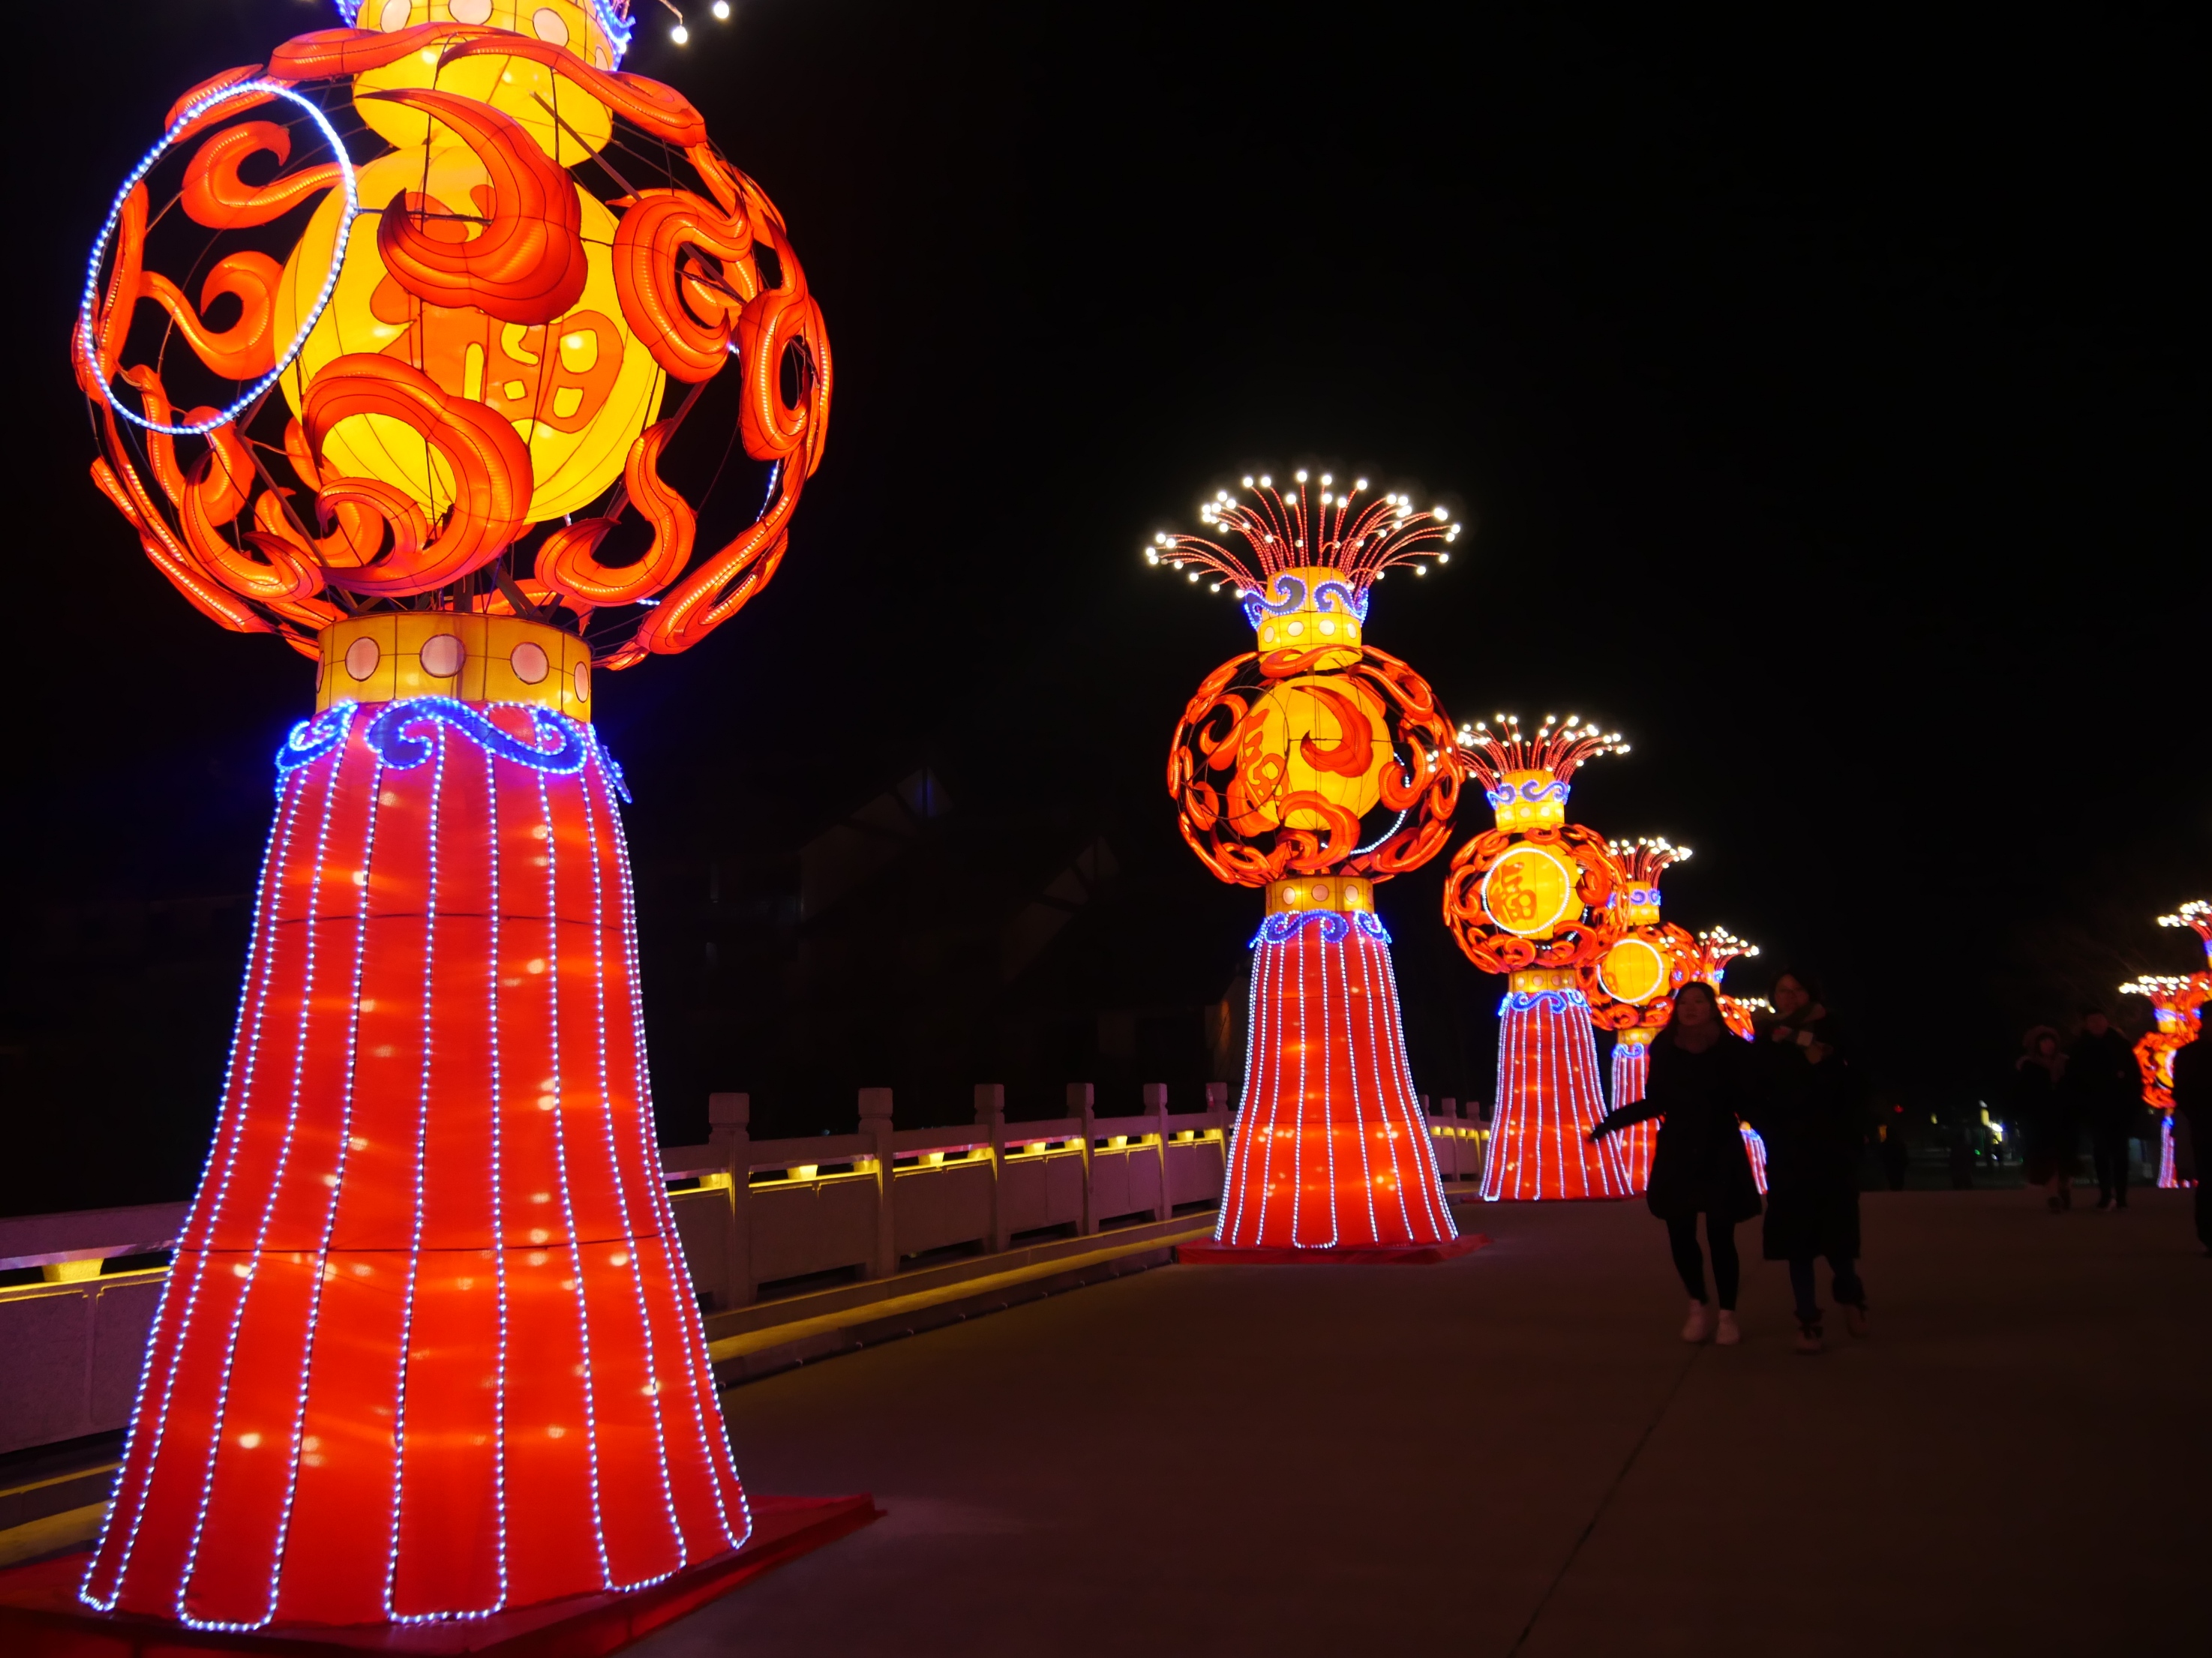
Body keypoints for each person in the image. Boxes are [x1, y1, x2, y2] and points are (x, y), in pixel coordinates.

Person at [1590, 982, 1762, 1346]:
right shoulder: (1666, 1048)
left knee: (1720, 1237)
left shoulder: (1731, 1050)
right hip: (1678, 1152)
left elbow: (1747, 1102)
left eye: (1699, 1001)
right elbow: (1656, 1102)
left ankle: (1728, 1315)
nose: (1691, 1008)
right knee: (1681, 1235)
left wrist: (1780, 1130)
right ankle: (1698, 1305)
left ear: (1712, 1008)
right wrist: (1610, 1123)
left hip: (1719, 1149)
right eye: (1685, 1002)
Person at [1750, 969, 1865, 1354]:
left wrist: (1850, 1132)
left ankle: (1850, 1296)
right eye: (1781, 990)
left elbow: (1853, 1085)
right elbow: (1755, 1090)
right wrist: (1769, 1128)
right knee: (1797, 1242)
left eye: (1796, 989)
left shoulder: (1831, 1030)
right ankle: (1808, 1320)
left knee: (1838, 1238)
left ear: (1810, 993)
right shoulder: (1765, 1037)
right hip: (1788, 1151)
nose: (1789, 996)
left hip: (1831, 1148)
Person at [2068, 1007, 2140, 1210]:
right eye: (2091, 1021)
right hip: (2094, 1110)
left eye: (2099, 1020)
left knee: (2120, 1153)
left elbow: (2134, 1078)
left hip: (2120, 1109)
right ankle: (2105, 1192)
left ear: (2106, 1021)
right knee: (2100, 1152)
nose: (2096, 1024)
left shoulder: (2120, 1045)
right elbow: (2074, 1081)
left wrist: (2132, 1104)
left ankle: (2122, 1193)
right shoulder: (2080, 1048)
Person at [2010, 1025, 2069, 1213]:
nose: (2048, 1045)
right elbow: (2024, 1093)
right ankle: (2053, 1195)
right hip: (2040, 1119)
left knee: (2065, 1157)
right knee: (2046, 1157)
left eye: (2051, 1040)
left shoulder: (2065, 1063)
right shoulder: (2029, 1065)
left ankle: (2063, 1188)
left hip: (2064, 1117)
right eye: (2043, 1041)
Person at [2171, 1022, 2211, 1255]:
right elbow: (2182, 1092)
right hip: (2205, 1126)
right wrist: (2198, 1116)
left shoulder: (2188, 1054)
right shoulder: (2190, 1054)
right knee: (2208, 1181)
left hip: (2202, 1123)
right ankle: (2209, 1236)